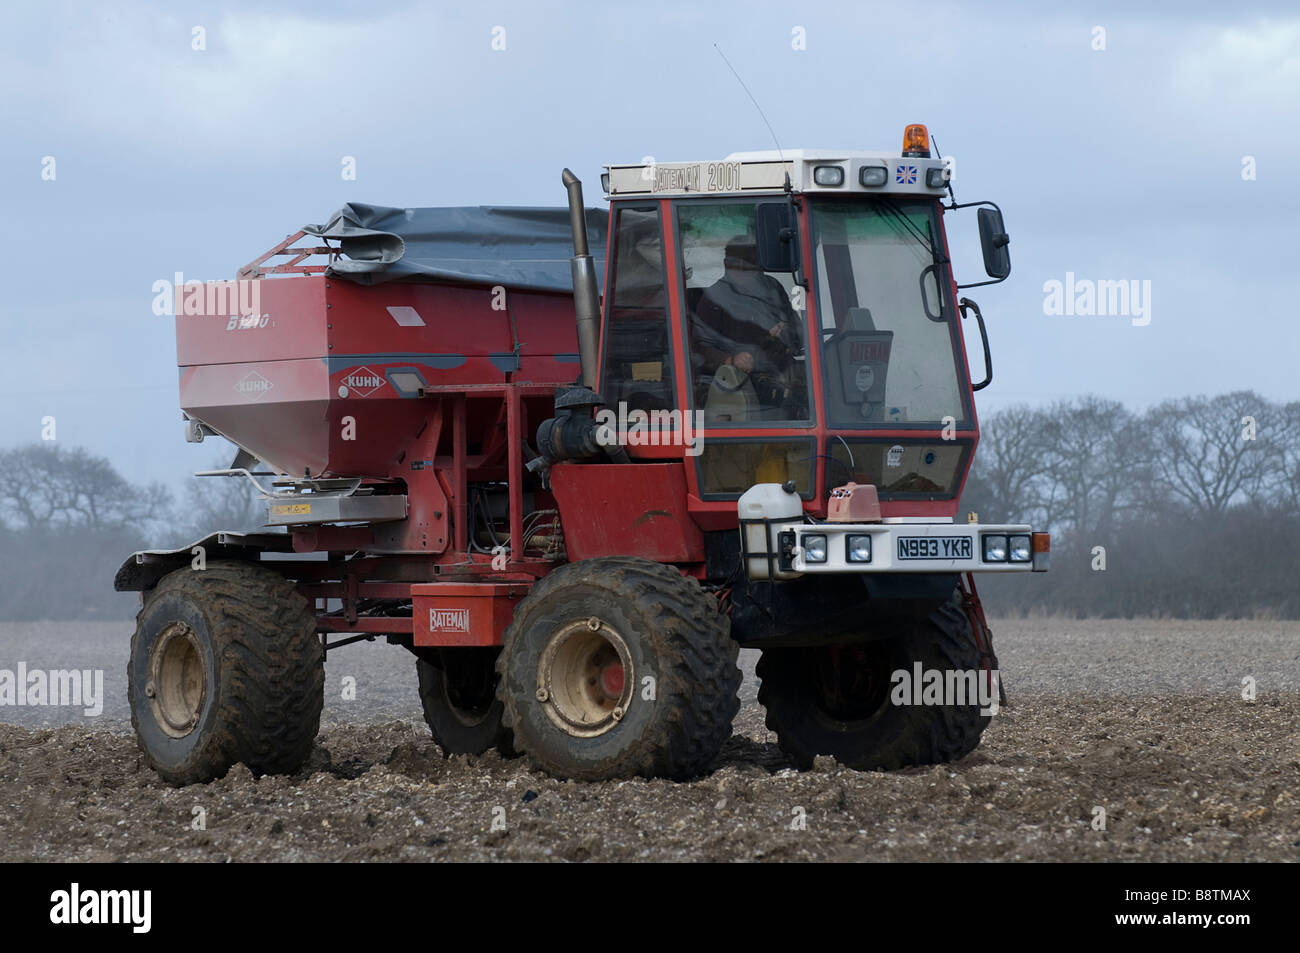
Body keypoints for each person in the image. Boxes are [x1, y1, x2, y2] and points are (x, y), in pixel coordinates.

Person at [693, 239, 800, 416]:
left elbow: (798, 334)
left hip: (782, 376)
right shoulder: (713, 298)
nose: (744, 271)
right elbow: (698, 348)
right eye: (738, 265)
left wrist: (785, 333)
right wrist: (730, 360)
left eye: (750, 266)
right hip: (736, 386)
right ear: (726, 264)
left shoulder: (773, 289)